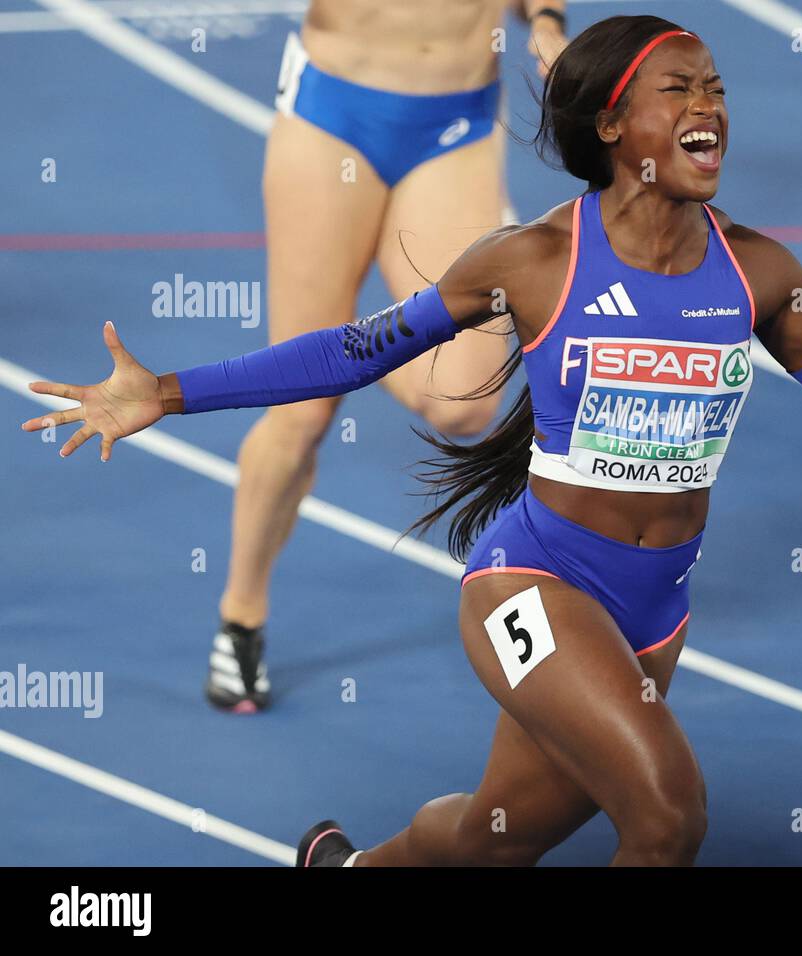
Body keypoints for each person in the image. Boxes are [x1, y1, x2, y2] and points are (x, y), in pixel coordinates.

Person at [22, 15, 802, 866]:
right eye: (679, 88)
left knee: (491, 842)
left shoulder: (760, 273)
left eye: (717, 86)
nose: (709, 106)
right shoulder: (533, 262)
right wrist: (162, 392)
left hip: (654, 609)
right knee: (668, 813)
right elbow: (350, 350)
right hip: (532, 584)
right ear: (614, 125)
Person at [206, 0, 568, 712]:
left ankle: (346, 350)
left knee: (465, 401)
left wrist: (548, 20)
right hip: (332, 114)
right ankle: (241, 615)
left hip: (456, 127)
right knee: (301, 414)